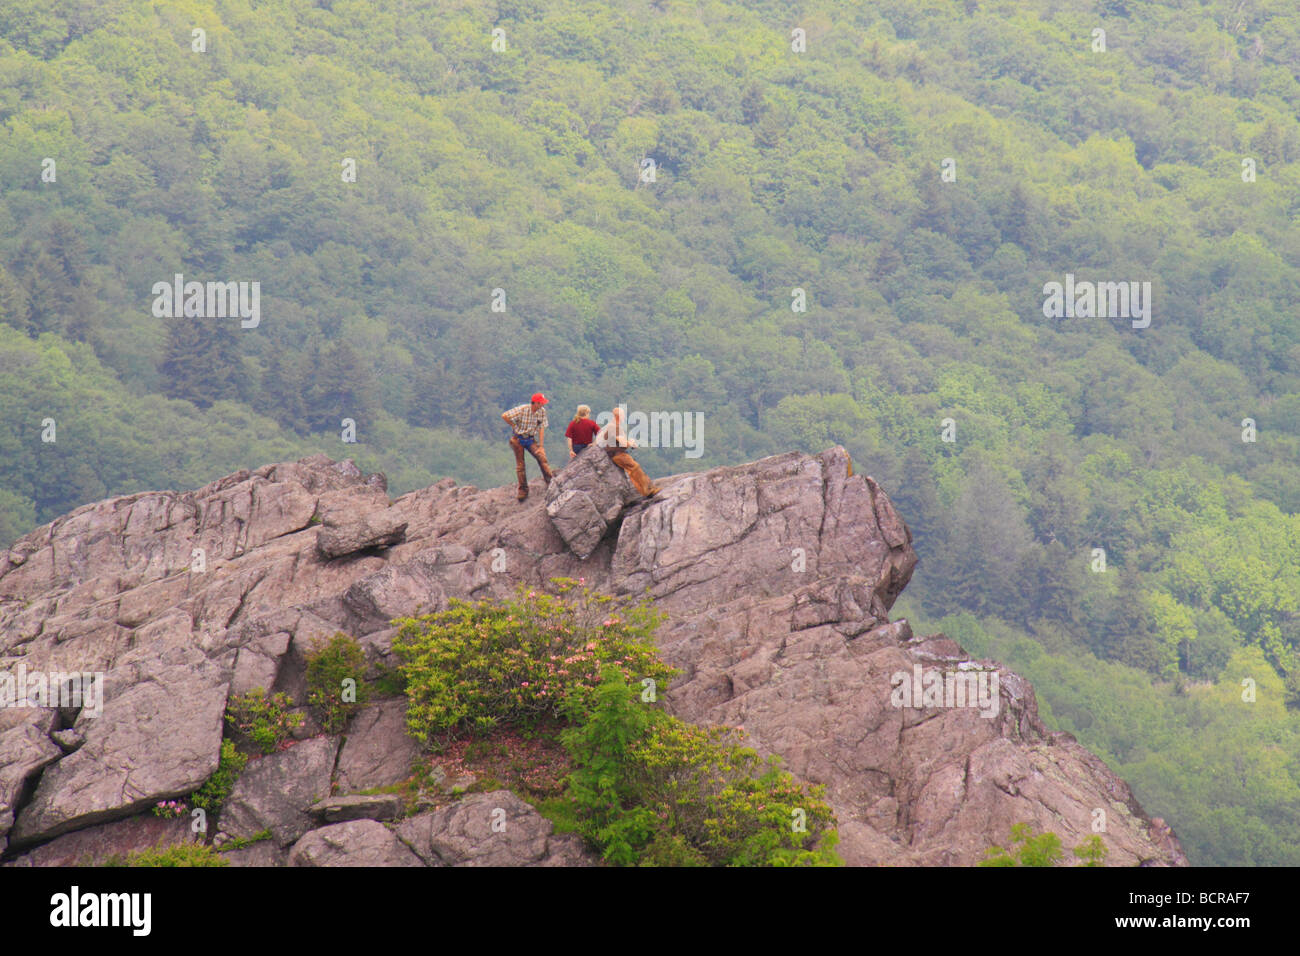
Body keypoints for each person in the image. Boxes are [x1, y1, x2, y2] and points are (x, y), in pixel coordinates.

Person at [594, 405, 660, 498]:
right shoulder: (614, 427)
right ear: (619, 416)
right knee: (635, 467)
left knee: (632, 470)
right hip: (618, 454)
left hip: (615, 454)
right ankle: (648, 490)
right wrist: (631, 443)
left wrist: (628, 442)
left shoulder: (610, 427)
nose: (624, 417)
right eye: (623, 415)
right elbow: (623, 443)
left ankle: (645, 491)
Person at [501, 393, 554, 501]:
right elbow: (505, 415)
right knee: (520, 465)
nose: (542, 405)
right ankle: (523, 490)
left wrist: (541, 446)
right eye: (541, 403)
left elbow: (541, 428)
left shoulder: (542, 412)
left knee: (542, 458)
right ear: (536, 403)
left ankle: (550, 482)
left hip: (530, 439)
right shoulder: (523, 409)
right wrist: (513, 425)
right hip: (518, 439)